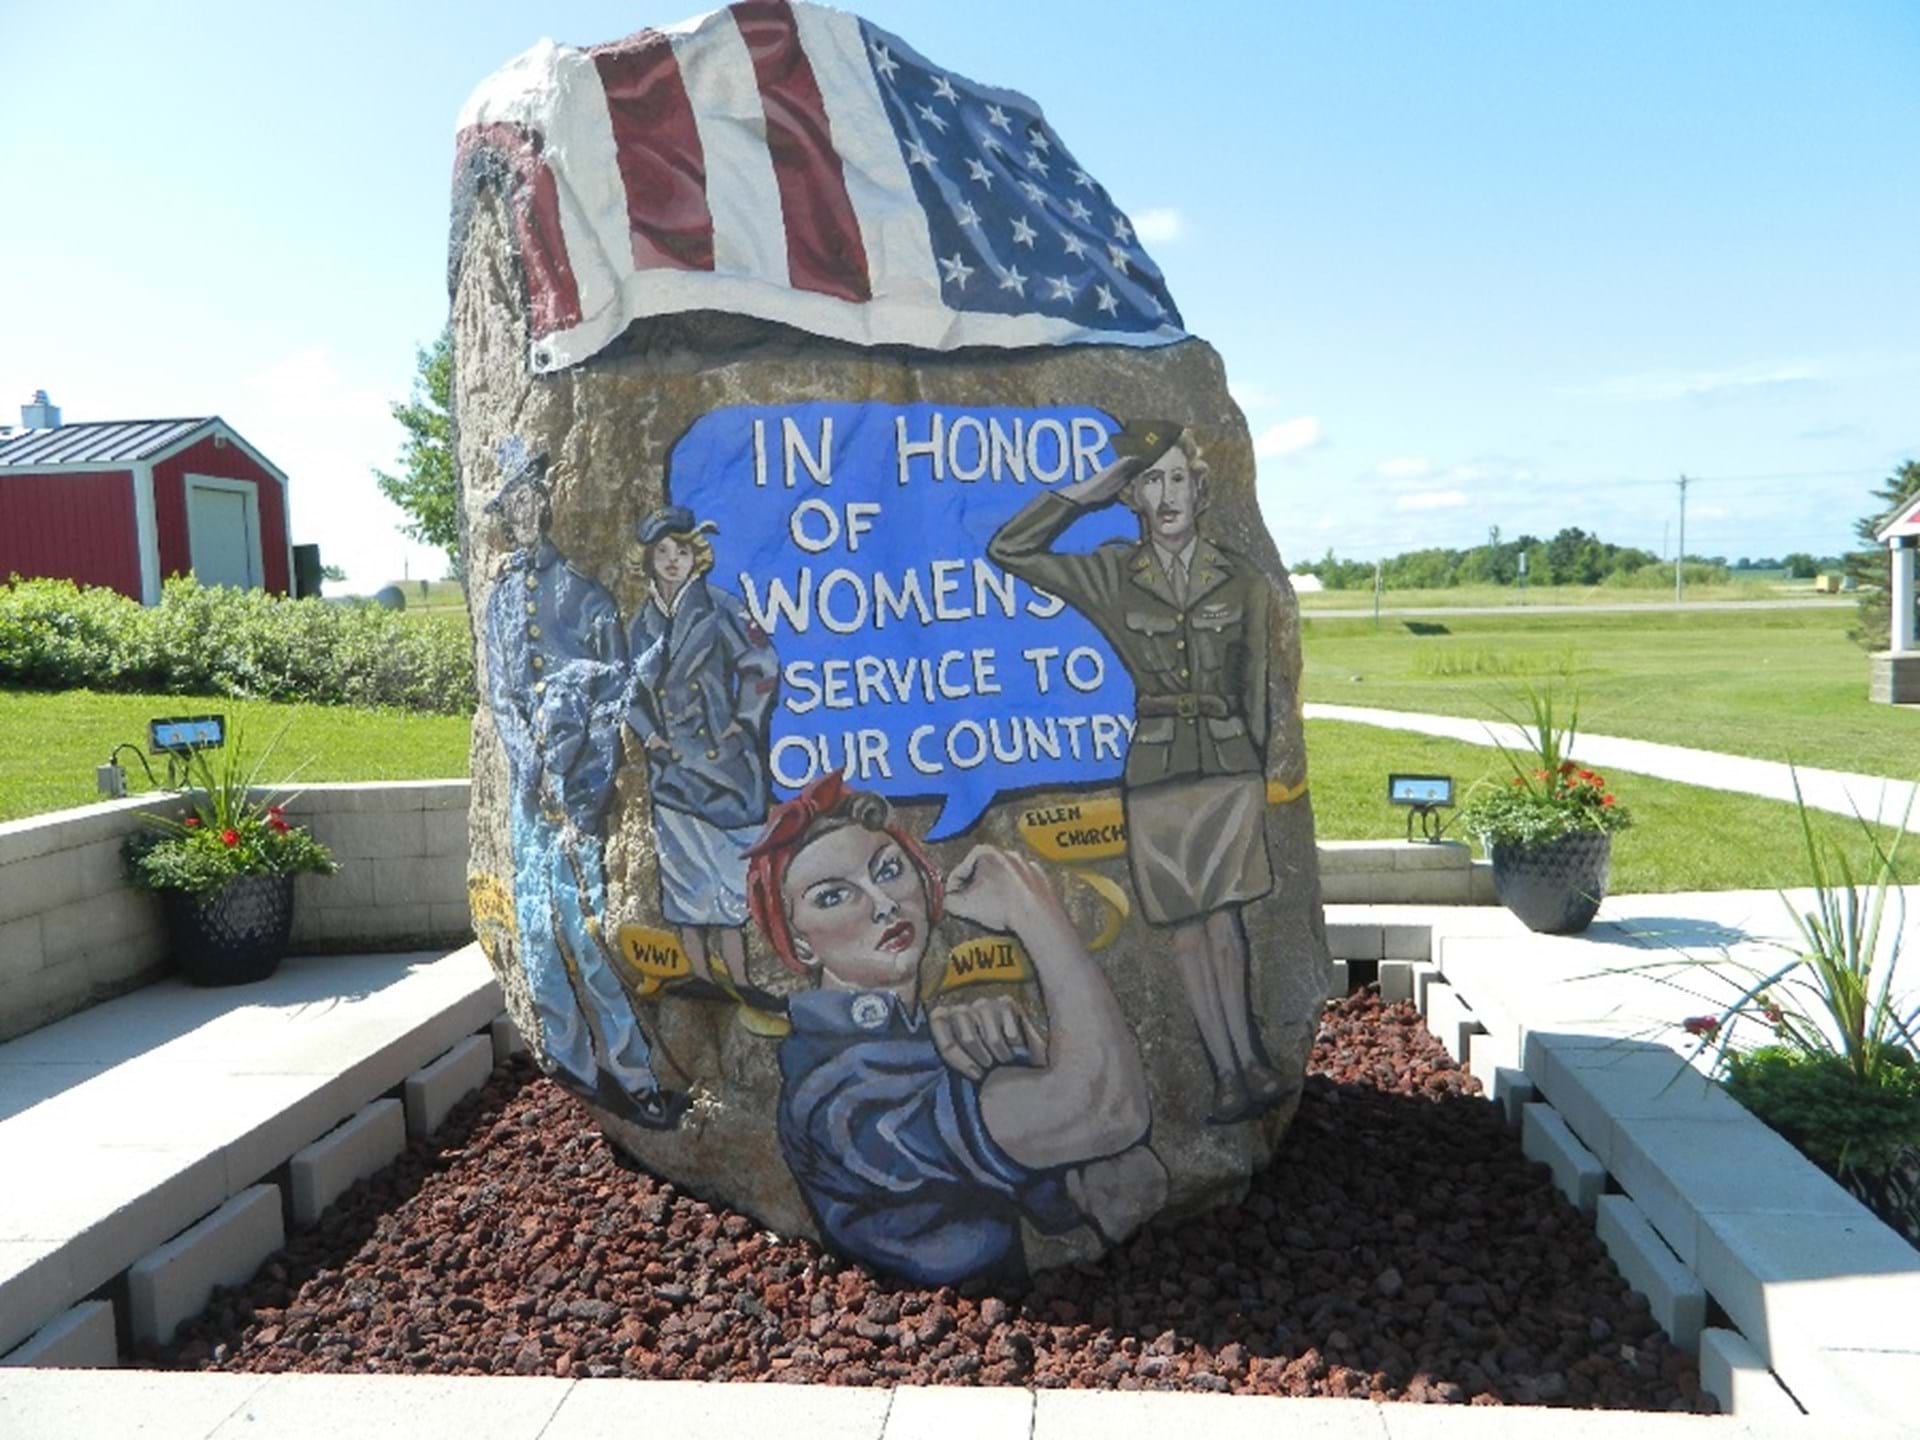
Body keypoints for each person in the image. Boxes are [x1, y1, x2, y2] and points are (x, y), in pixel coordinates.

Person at [745, 771, 1166, 1286]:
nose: (882, 903)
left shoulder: (921, 1044)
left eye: (888, 869)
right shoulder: (841, 1091)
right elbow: (1106, 1113)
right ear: (800, 944)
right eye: (834, 896)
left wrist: (1031, 1064)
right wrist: (1035, 914)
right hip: (913, 1343)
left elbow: (1127, 1188)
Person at [988, 420, 1288, 1124]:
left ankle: (1251, 1059)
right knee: (1186, 929)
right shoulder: (1112, 571)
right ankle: (1223, 1073)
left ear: (1201, 488)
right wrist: (1086, 494)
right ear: (1132, 495)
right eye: (1151, 480)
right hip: (1156, 774)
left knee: (1227, 925)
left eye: (1179, 477)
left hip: (1225, 771)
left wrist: (1253, 766)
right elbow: (1010, 548)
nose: (1169, 493)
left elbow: (1256, 685)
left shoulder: (1239, 578)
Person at [481, 439, 687, 1131]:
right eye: (513, 503)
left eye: (533, 498)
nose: (526, 511)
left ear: (545, 503)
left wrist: (584, 782)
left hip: (580, 786)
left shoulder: (586, 594)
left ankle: (633, 1070)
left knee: (587, 926)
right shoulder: (502, 597)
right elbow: (503, 692)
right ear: (505, 515)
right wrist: (528, 765)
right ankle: (569, 1057)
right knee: (537, 930)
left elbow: (612, 688)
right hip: (528, 785)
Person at [625, 505, 781, 1007]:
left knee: (732, 879)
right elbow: (628, 688)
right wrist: (650, 738)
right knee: (686, 877)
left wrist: (743, 721)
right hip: (673, 770)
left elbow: (761, 662)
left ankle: (742, 979)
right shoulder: (643, 624)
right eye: (663, 552)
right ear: (649, 560)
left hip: (725, 766)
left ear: (698, 555)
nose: (673, 561)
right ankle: (701, 976)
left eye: (682, 551)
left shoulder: (720, 607)